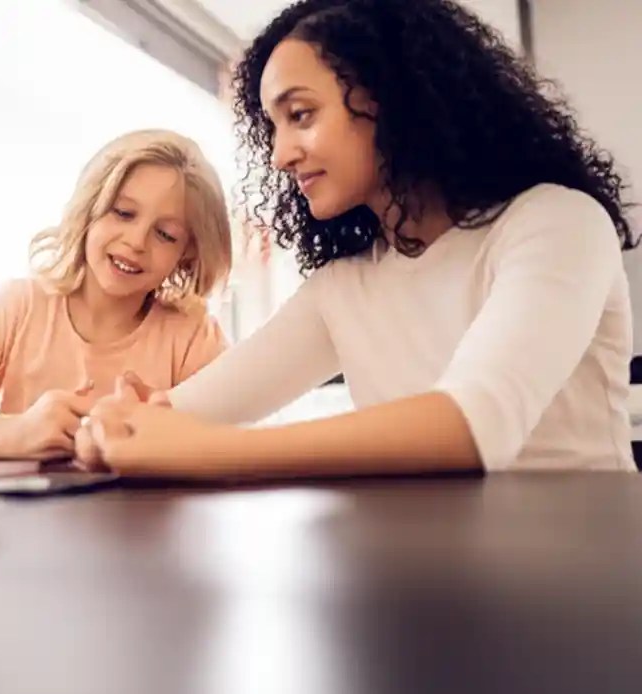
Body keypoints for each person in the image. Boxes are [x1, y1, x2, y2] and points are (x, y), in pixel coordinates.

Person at [79, 0, 637, 478]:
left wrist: (200, 450)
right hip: (438, 580)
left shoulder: (559, 222)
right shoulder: (344, 287)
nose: (280, 154)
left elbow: (472, 426)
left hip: (585, 585)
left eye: (301, 114)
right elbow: (184, 413)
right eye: (274, 127)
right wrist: (118, 422)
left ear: (395, 99)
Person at [0, 129, 234, 462]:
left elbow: (222, 448)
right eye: (123, 213)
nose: (136, 242)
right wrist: (16, 434)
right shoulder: (16, 307)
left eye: (165, 234)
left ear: (186, 254)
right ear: (89, 208)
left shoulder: (193, 337)